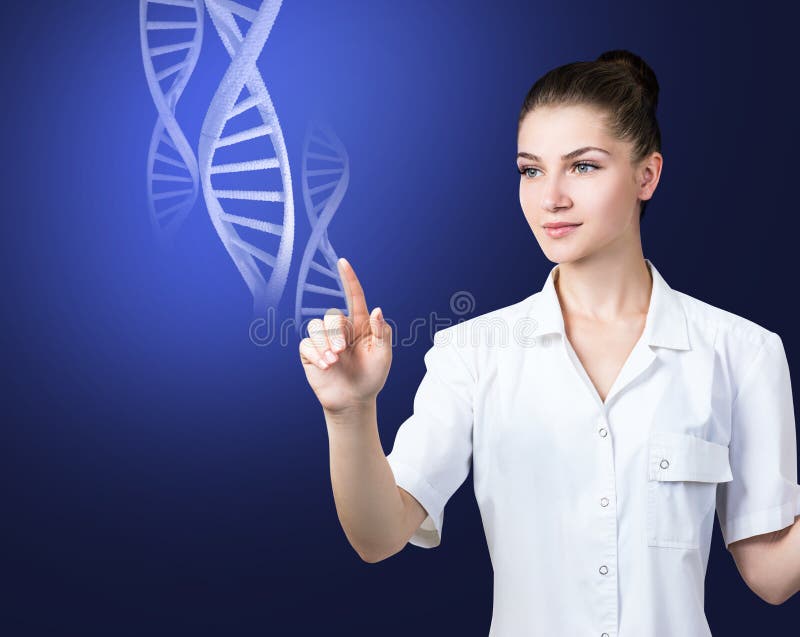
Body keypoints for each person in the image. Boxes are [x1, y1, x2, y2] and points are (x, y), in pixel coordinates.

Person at [298, 49, 800, 636]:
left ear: (647, 175)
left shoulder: (743, 354)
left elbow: (770, 574)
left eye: (583, 167)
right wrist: (350, 412)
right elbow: (379, 536)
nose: (550, 197)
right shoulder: (473, 354)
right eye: (531, 170)